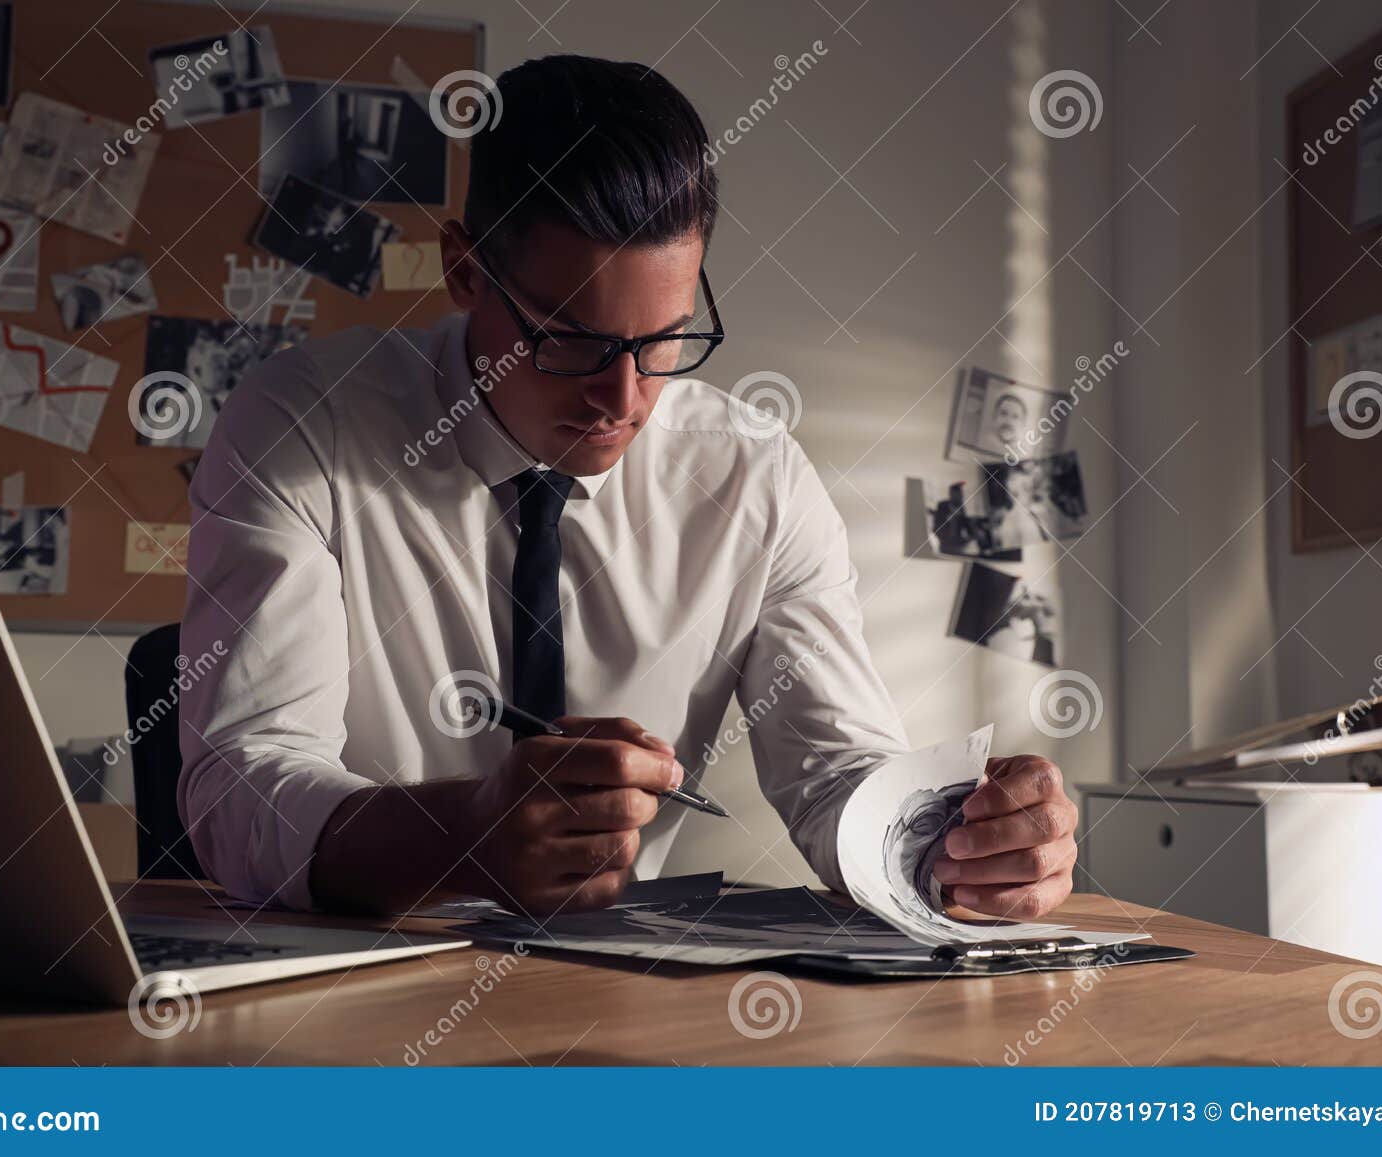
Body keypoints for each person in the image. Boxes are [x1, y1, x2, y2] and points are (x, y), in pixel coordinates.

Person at [178, 54, 1078, 921]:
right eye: (571, 340)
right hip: (358, 991)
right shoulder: (301, 427)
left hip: (620, 996)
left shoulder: (753, 477)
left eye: (665, 342)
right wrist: (465, 834)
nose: (623, 399)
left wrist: (946, 850)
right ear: (464, 271)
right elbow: (240, 785)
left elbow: (837, 774)